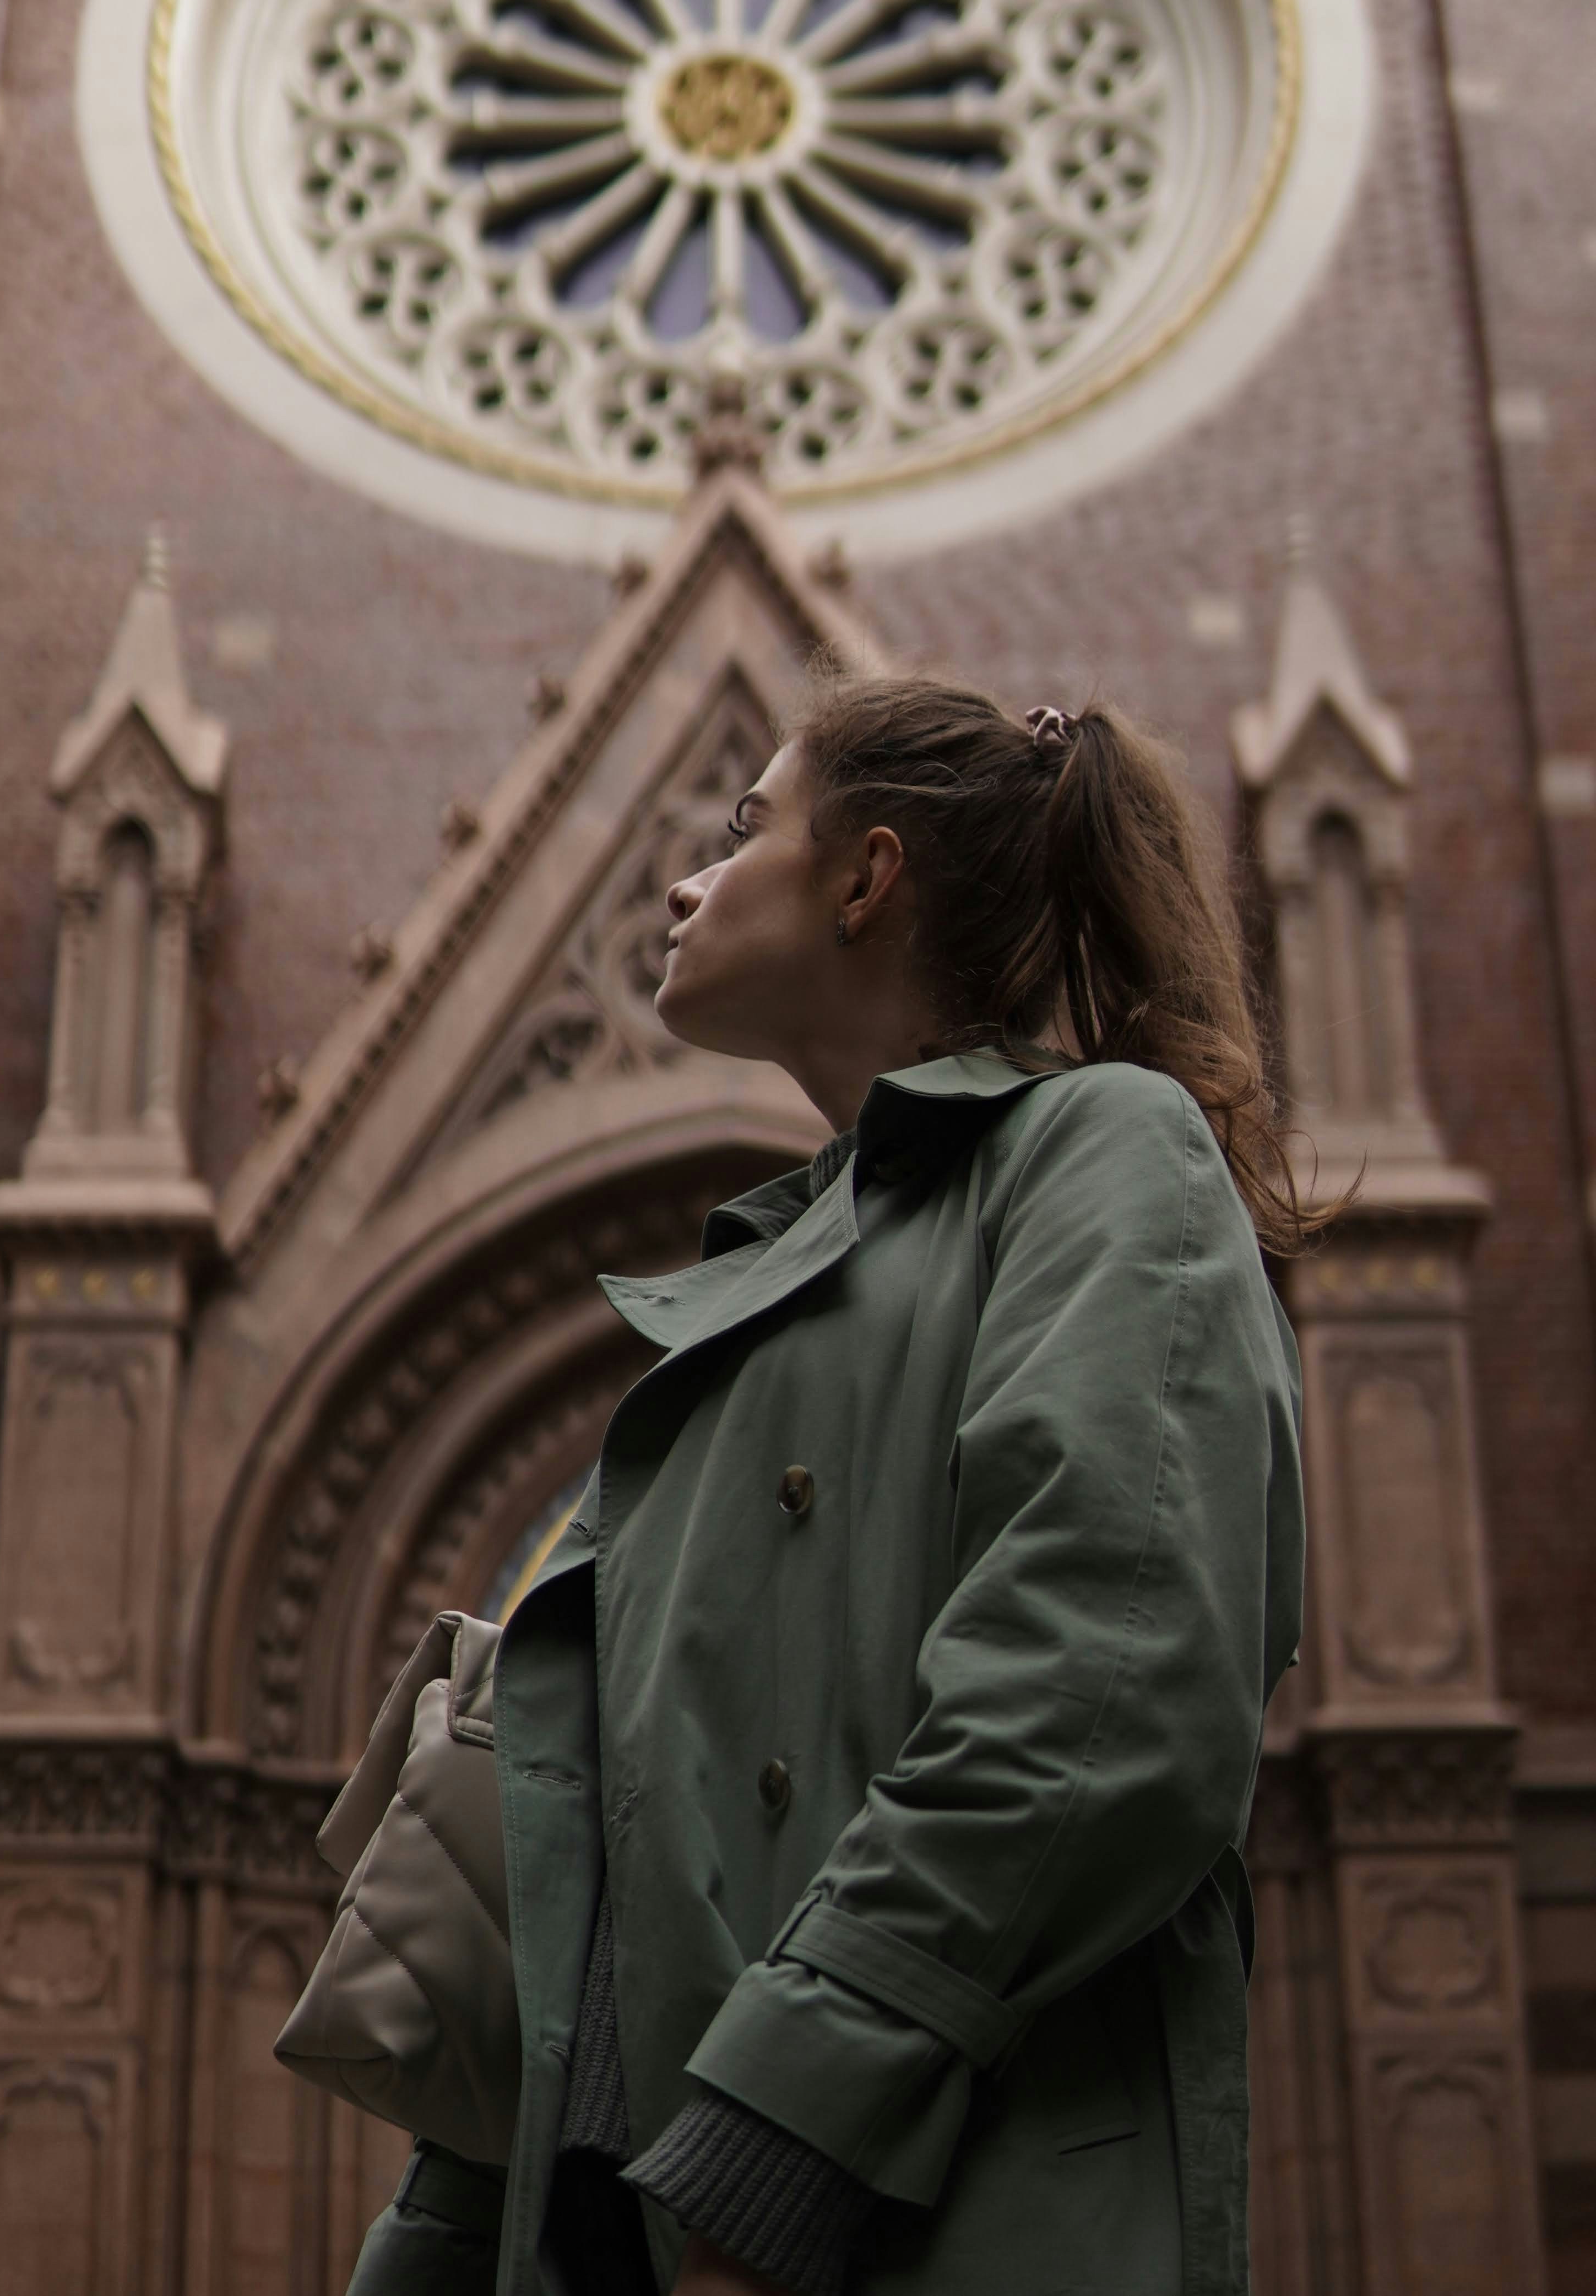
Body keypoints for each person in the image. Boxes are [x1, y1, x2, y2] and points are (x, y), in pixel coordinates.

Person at [350, 672, 1309, 2296]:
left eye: (739, 831)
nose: (682, 879)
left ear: (866, 877)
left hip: (892, 2219)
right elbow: (585, 1871)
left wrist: (770, 2144)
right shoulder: (754, 1292)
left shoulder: (1104, 1149)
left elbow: (1104, 1687)